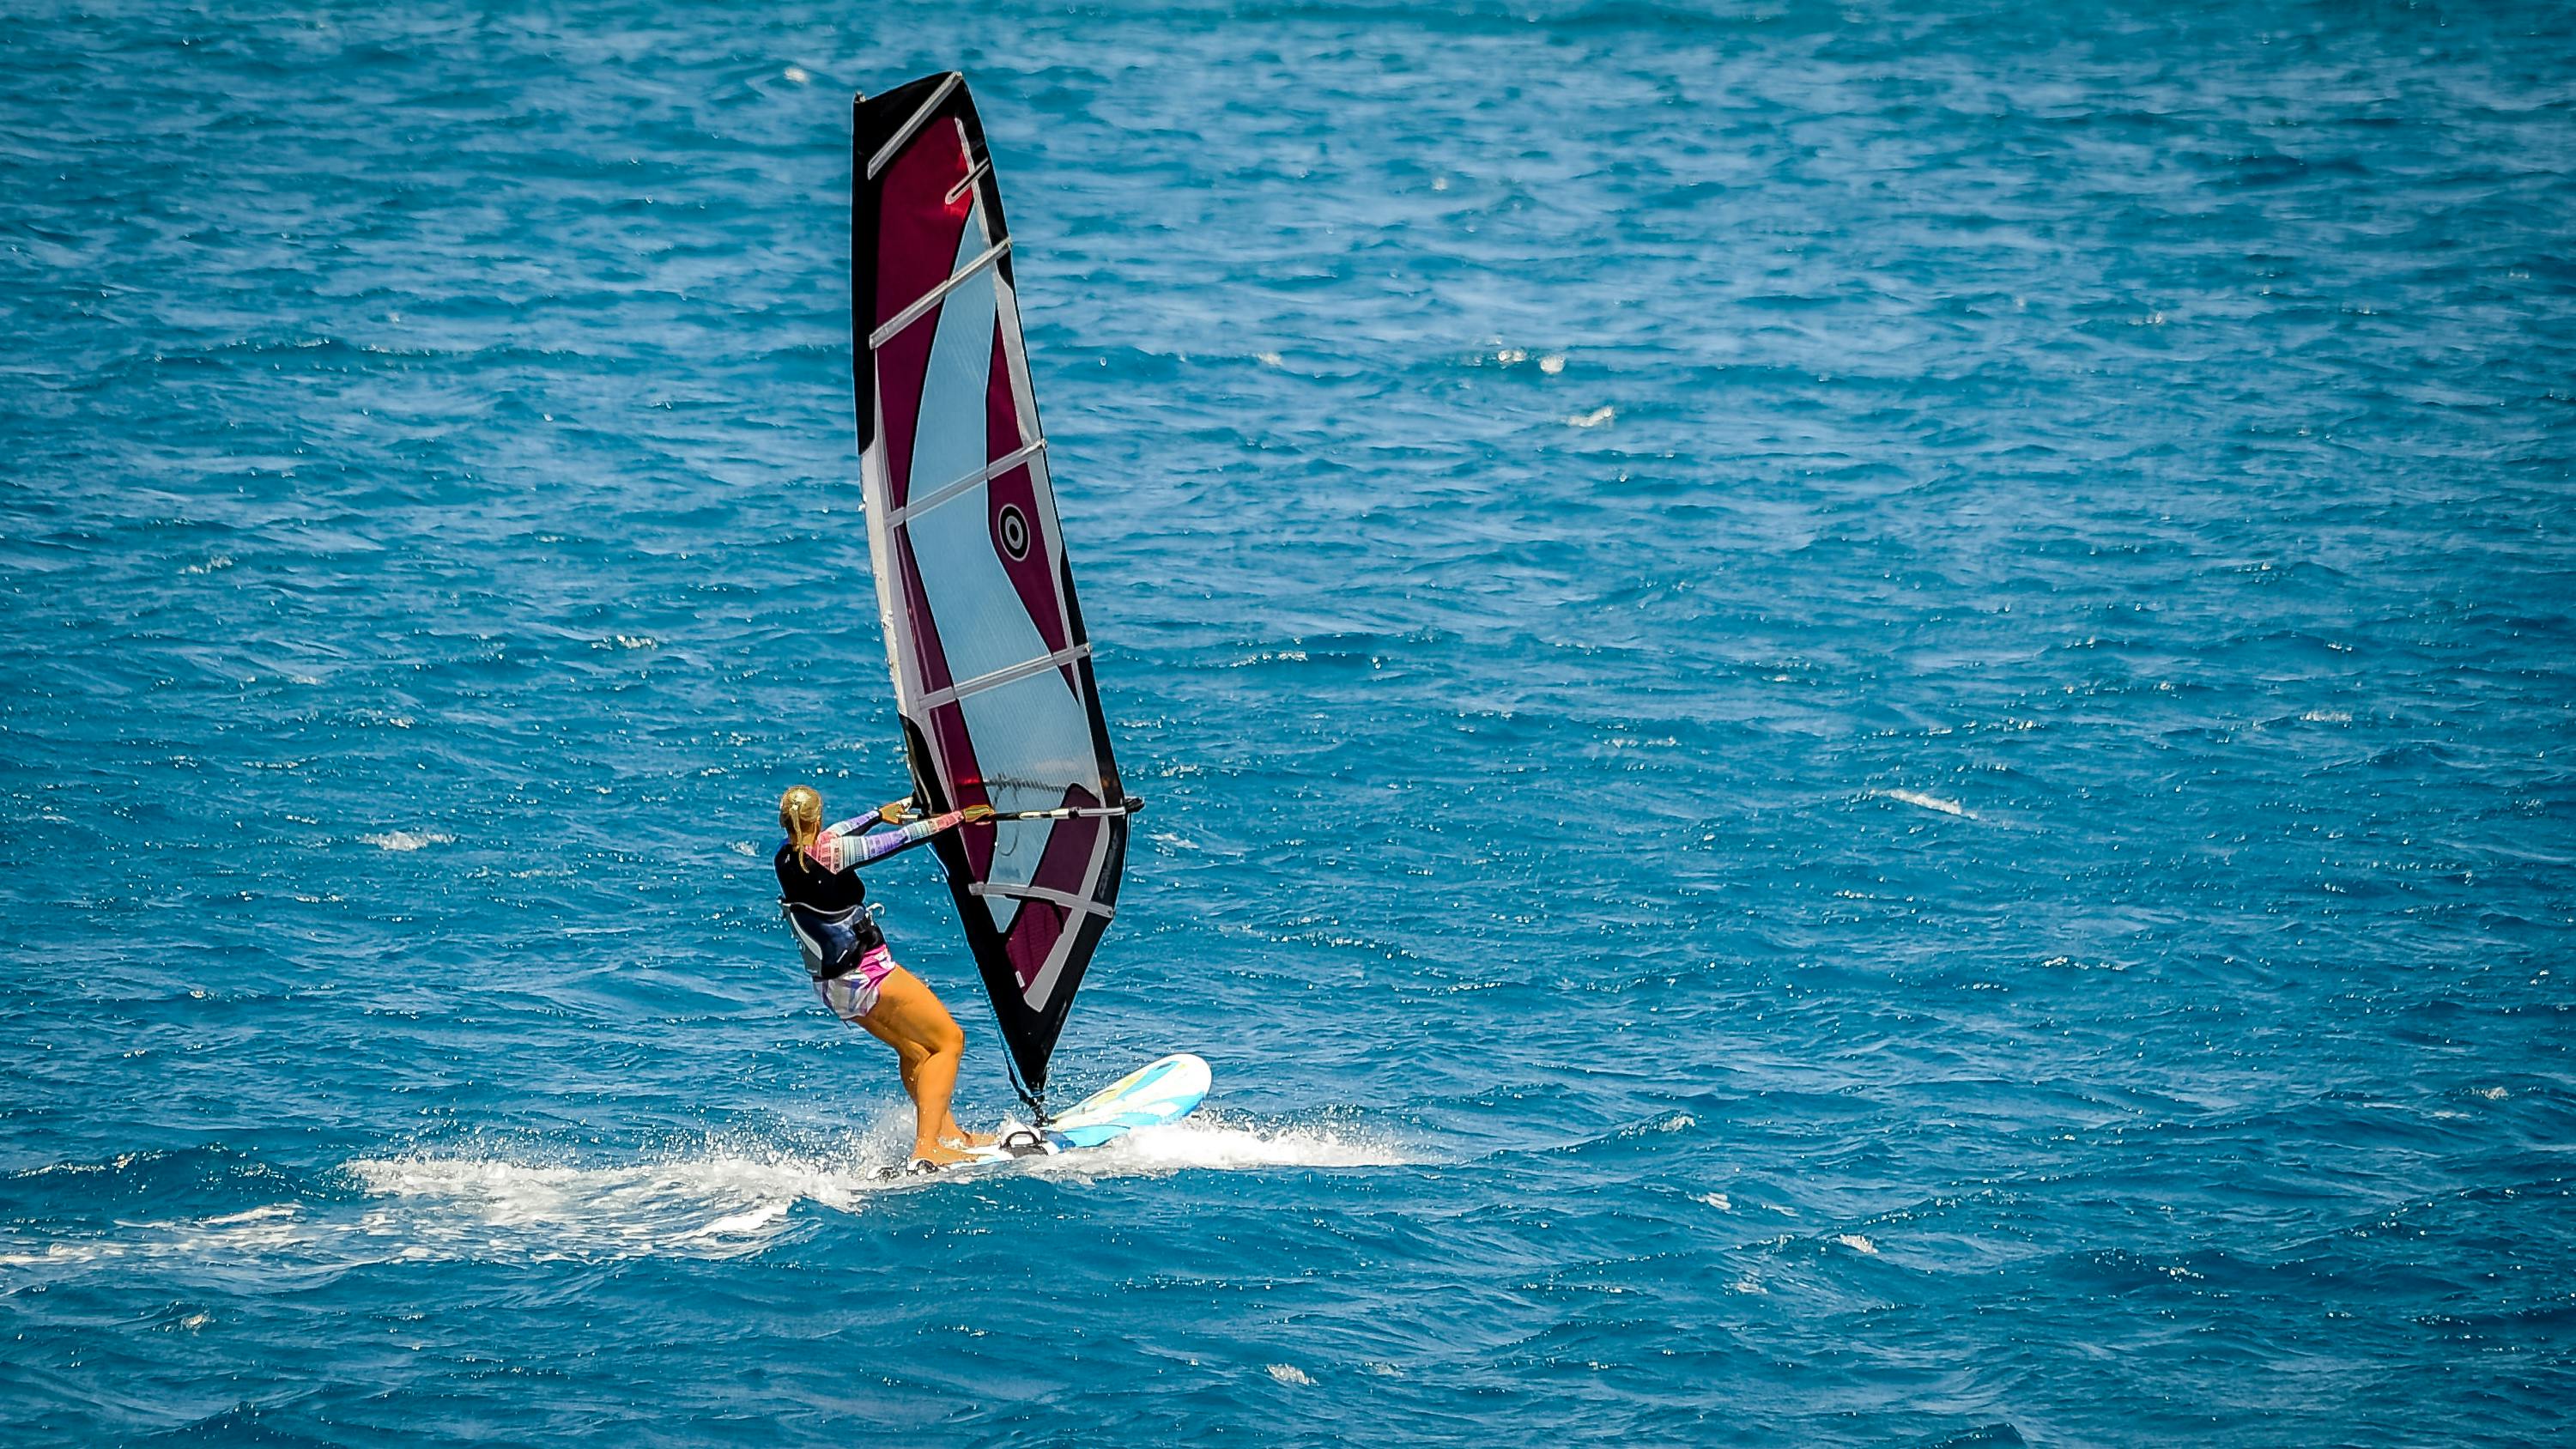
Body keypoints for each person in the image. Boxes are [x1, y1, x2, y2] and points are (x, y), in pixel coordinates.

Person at [775, 785, 996, 1167]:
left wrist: (882, 812)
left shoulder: (785, 857)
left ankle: (949, 1135)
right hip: (868, 974)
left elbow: (839, 833)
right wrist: (961, 818)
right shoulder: (833, 854)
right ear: (817, 817)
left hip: (834, 986)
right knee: (948, 1041)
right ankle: (928, 1148)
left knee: (915, 1050)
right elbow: (903, 839)